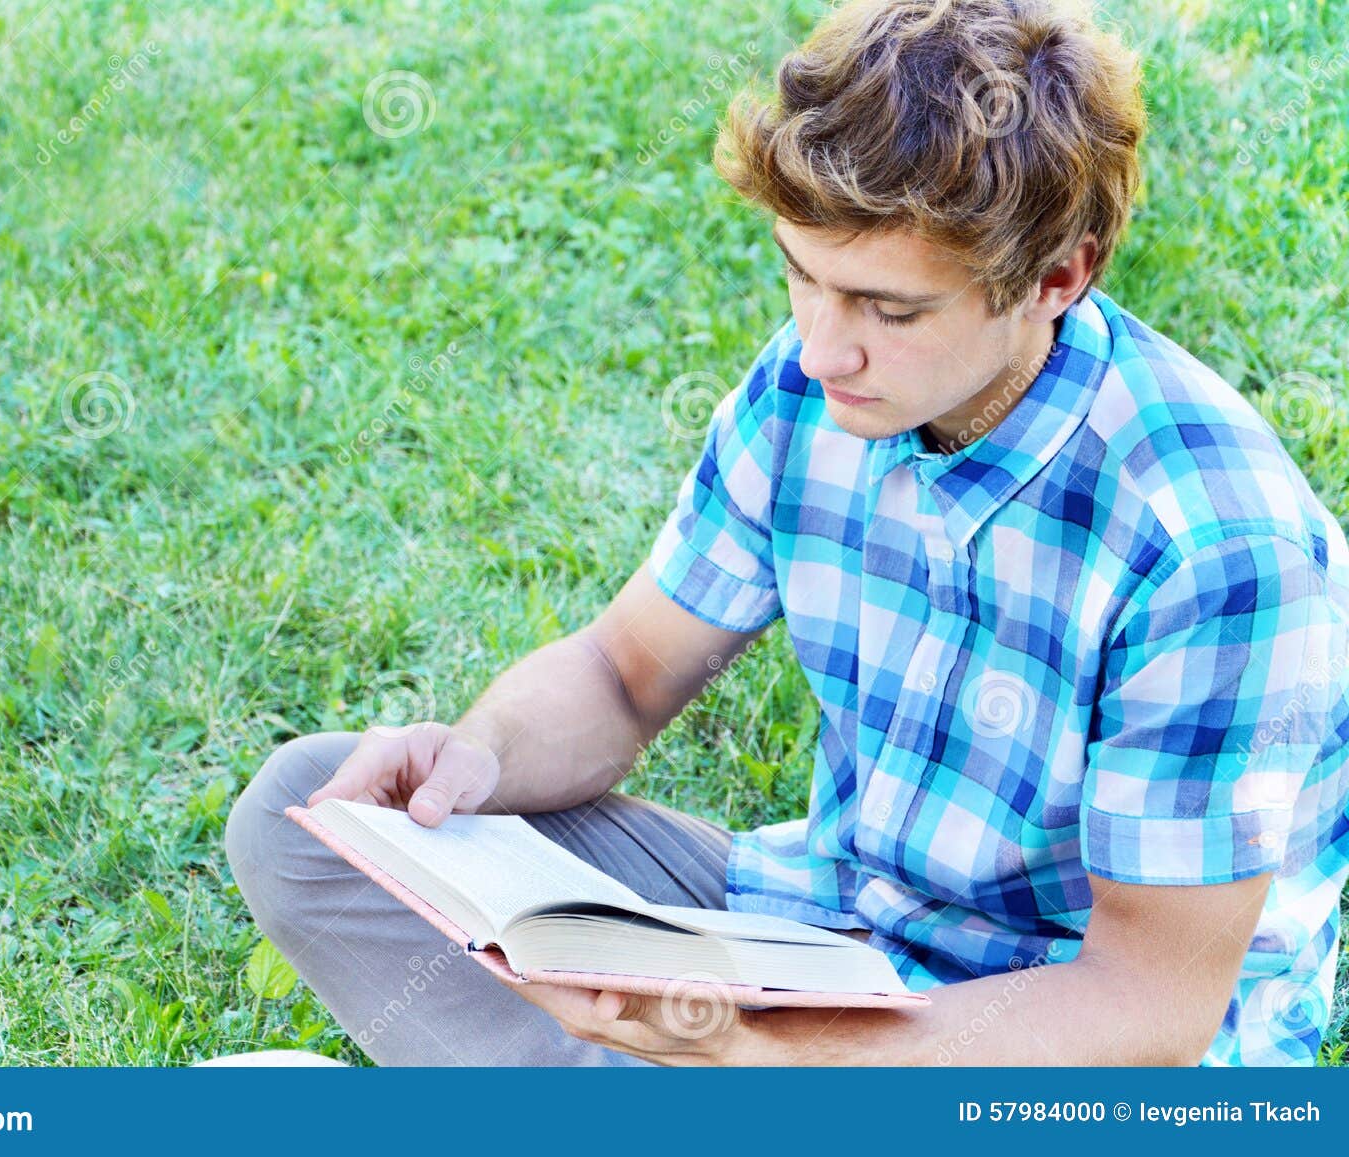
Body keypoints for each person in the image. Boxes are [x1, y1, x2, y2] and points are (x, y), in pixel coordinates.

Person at [226, 0, 1349, 1066]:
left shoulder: (1216, 543)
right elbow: (622, 674)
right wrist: (478, 755)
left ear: (1057, 276)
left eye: (888, 308)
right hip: (829, 931)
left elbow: (1144, 1002)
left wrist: (764, 1056)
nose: (821, 348)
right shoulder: (813, 387)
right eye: (802, 277)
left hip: (1054, 1034)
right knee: (312, 810)